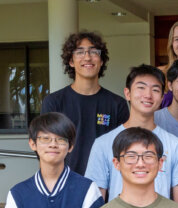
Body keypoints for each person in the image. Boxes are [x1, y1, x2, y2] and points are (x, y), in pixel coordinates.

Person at [85, 64, 178, 206]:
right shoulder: (103, 143)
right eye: (141, 87)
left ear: (162, 98)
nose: (148, 95)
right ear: (127, 93)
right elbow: (96, 199)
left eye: (155, 90)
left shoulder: (175, 145)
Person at [42, 31, 129, 175]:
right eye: (80, 52)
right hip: (65, 183)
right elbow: (45, 149)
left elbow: (123, 150)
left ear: (101, 61)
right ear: (71, 61)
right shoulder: (54, 102)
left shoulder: (117, 104)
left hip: (105, 185)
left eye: (94, 52)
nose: (87, 57)